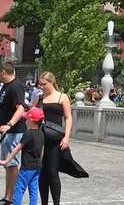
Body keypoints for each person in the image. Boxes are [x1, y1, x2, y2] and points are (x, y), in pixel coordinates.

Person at [38, 71, 72, 205]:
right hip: (42, 138)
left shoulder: (62, 97)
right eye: (40, 84)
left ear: (51, 82)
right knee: (42, 173)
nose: (41, 87)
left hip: (56, 139)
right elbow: (33, 113)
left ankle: (56, 203)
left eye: (44, 84)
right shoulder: (40, 98)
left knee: (52, 171)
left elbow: (68, 118)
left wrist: (66, 137)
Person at [0, 106, 44, 205]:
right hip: (37, 167)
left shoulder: (28, 134)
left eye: (26, 119)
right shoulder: (41, 134)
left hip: (26, 167)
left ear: (31, 121)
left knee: (19, 188)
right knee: (33, 189)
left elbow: (17, 148)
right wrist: (40, 163)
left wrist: (6, 160)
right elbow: (42, 150)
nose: (25, 121)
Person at [0, 62, 27, 205]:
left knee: (12, 165)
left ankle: (11, 198)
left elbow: (21, 108)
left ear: (3, 72)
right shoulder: (6, 86)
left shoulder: (16, 86)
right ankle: (7, 196)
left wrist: (9, 124)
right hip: (7, 132)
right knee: (8, 165)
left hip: (14, 132)